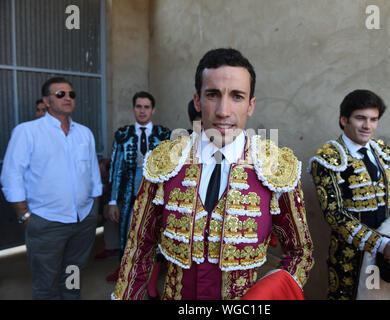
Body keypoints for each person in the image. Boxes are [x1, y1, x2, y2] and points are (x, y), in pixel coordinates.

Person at [112, 48, 314, 300]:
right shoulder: (165, 162)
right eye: (212, 95)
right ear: (197, 101)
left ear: (251, 105)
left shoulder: (275, 167)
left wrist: (268, 295)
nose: (223, 110)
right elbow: (140, 247)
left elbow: (300, 252)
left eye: (237, 96)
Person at [308, 89, 390, 300]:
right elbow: (335, 214)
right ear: (344, 120)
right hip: (350, 255)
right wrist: (382, 244)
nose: (368, 126)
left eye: (373, 119)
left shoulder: (381, 151)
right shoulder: (329, 157)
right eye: (360, 118)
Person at [1, 77, 102, 299]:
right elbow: (11, 176)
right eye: (60, 94)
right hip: (46, 223)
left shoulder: (84, 133)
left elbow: (93, 172)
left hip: (82, 222)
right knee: (46, 283)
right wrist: (25, 215)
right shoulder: (27, 132)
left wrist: (94, 207)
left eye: (71, 95)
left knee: (73, 273)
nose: (67, 98)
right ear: (47, 101)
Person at [107, 91, 170, 296]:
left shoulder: (164, 135)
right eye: (138, 107)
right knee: (128, 238)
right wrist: (113, 200)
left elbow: (171, 170)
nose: (142, 111)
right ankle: (128, 283)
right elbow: (116, 169)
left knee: (155, 239)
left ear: (153, 110)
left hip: (156, 199)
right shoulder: (122, 135)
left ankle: (150, 286)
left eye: (146, 107)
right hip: (128, 199)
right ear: (133, 109)